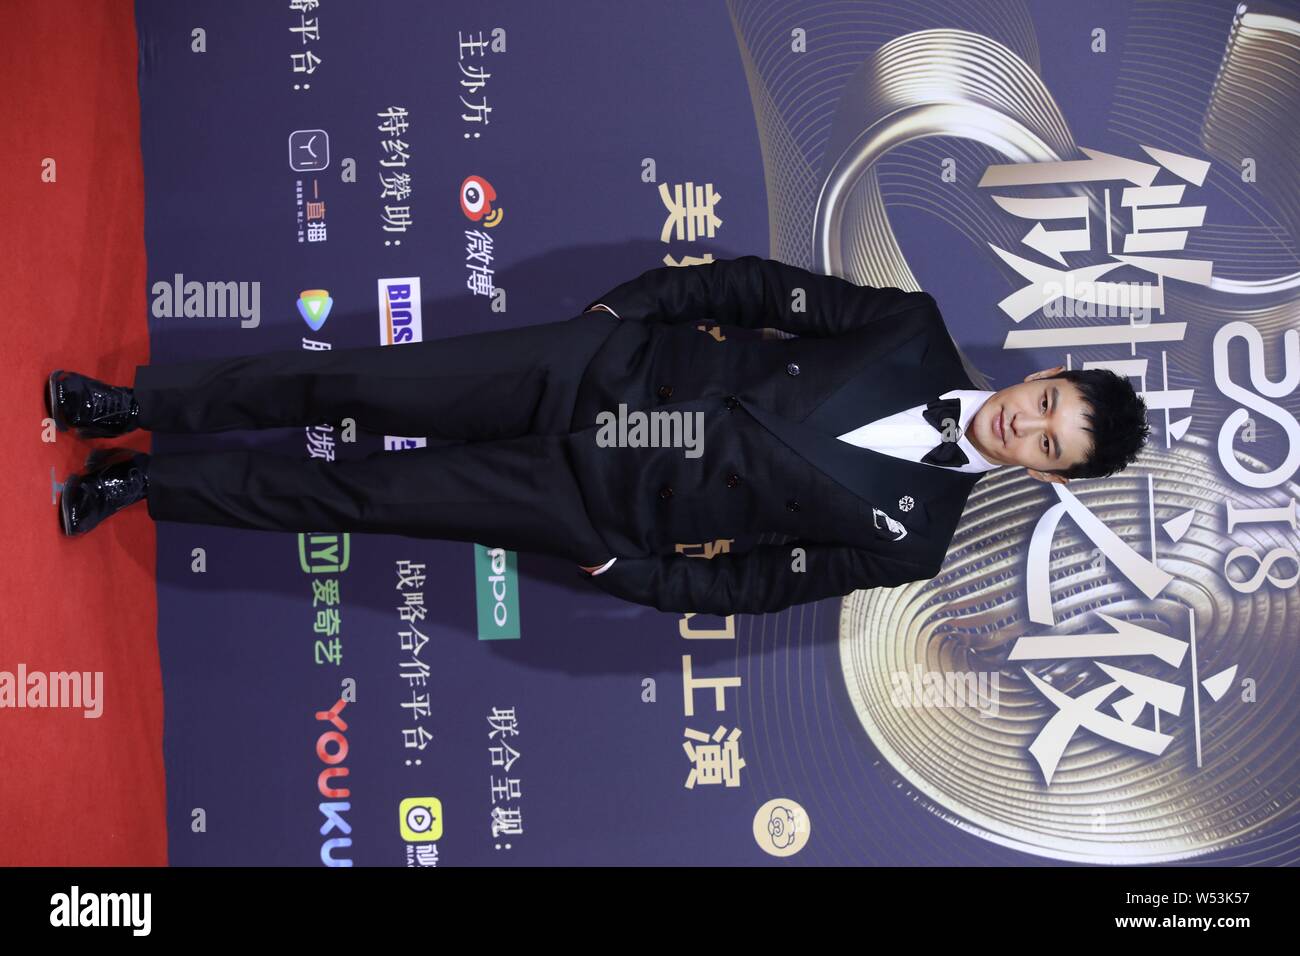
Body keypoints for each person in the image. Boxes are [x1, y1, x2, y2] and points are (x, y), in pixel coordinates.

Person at [47, 255, 1150, 615]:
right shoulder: (909, 330)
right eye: (1048, 402)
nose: (1029, 425)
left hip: (596, 502)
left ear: (1048, 474)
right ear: (1042, 373)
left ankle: (146, 486)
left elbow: (756, 587)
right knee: (346, 379)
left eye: (1051, 445)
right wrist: (626, 312)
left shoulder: (913, 542)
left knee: (360, 503)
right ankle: (136, 405)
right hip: (603, 371)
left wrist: (630, 570)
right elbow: (758, 283)